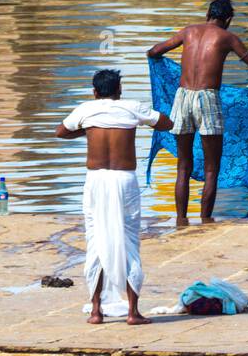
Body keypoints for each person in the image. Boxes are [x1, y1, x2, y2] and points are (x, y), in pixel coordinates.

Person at [147, 0, 248, 226]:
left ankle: (181, 221)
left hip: (182, 98)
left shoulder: (188, 32)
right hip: (208, 100)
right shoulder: (227, 38)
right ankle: (205, 220)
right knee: (212, 168)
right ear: (228, 19)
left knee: (183, 165)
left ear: (207, 15)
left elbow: (154, 52)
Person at [56, 68, 173, 325]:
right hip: (124, 181)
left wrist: (88, 129)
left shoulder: (86, 109)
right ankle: (133, 312)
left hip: (96, 181)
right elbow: (167, 123)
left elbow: (61, 132)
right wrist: (139, 118)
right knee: (129, 241)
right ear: (119, 90)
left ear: (95, 92)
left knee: (96, 242)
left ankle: (97, 311)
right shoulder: (132, 107)